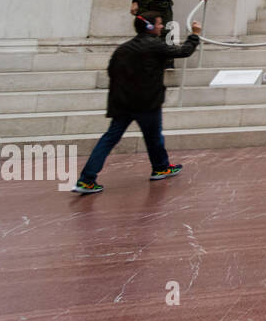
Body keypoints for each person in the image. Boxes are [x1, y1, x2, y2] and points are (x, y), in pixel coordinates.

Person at [72, 12, 201, 193]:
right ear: (149, 27)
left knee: (109, 139)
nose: (161, 27)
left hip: (122, 103)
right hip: (147, 103)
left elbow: (112, 72)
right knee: (154, 137)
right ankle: (160, 167)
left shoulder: (123, 49)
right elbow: (183, 51)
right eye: (158, 24)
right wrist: (194, 34)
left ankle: (86, 179)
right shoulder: (155, 46)